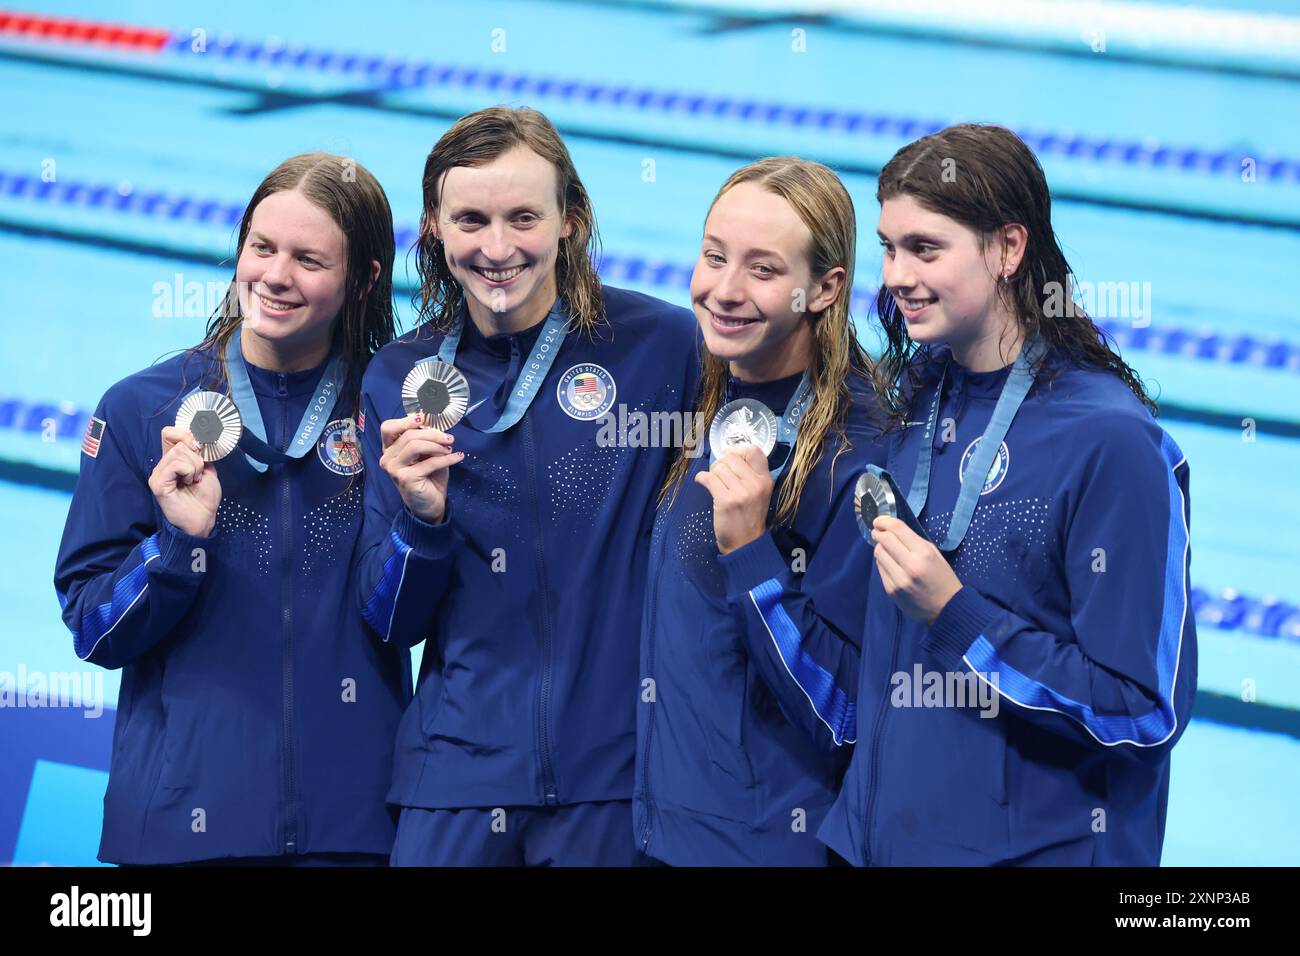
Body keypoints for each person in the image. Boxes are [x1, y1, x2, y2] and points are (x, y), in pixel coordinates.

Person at [819, 124, 1198, 866]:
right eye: (890, 246)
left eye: (925, 249)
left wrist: (957, 614)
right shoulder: (917, 403)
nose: (895, 274)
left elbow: (1140, 712)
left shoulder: (1110, 444)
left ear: (1008, 250)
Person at [355, 107, 698, 866]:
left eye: (524, 218)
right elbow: (391, 622)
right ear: (435, 227)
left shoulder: (661, 347)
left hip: (616, 780)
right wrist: (421, 522)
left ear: (570, 219)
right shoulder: (399, 379)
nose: (498, 248)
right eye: (471, 219)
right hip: (454, 778)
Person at [54, 153, 405, 865]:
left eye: (310, 259)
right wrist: (176, 548)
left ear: (364, 279)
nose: (275, 276)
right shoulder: (141, 411)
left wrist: (423, 525)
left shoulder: (386, 418)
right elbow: (94, 629)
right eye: (262, 247)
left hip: (353, 834)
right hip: (180, 830)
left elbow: (411, 614)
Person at [635, 157, 882, 865]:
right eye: (714, 257)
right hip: (663, 838)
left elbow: (845, 712)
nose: (725, 290)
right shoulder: (704, 400)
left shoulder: (858, 454)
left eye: (764, 271)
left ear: (825, 288)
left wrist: (751, 553)